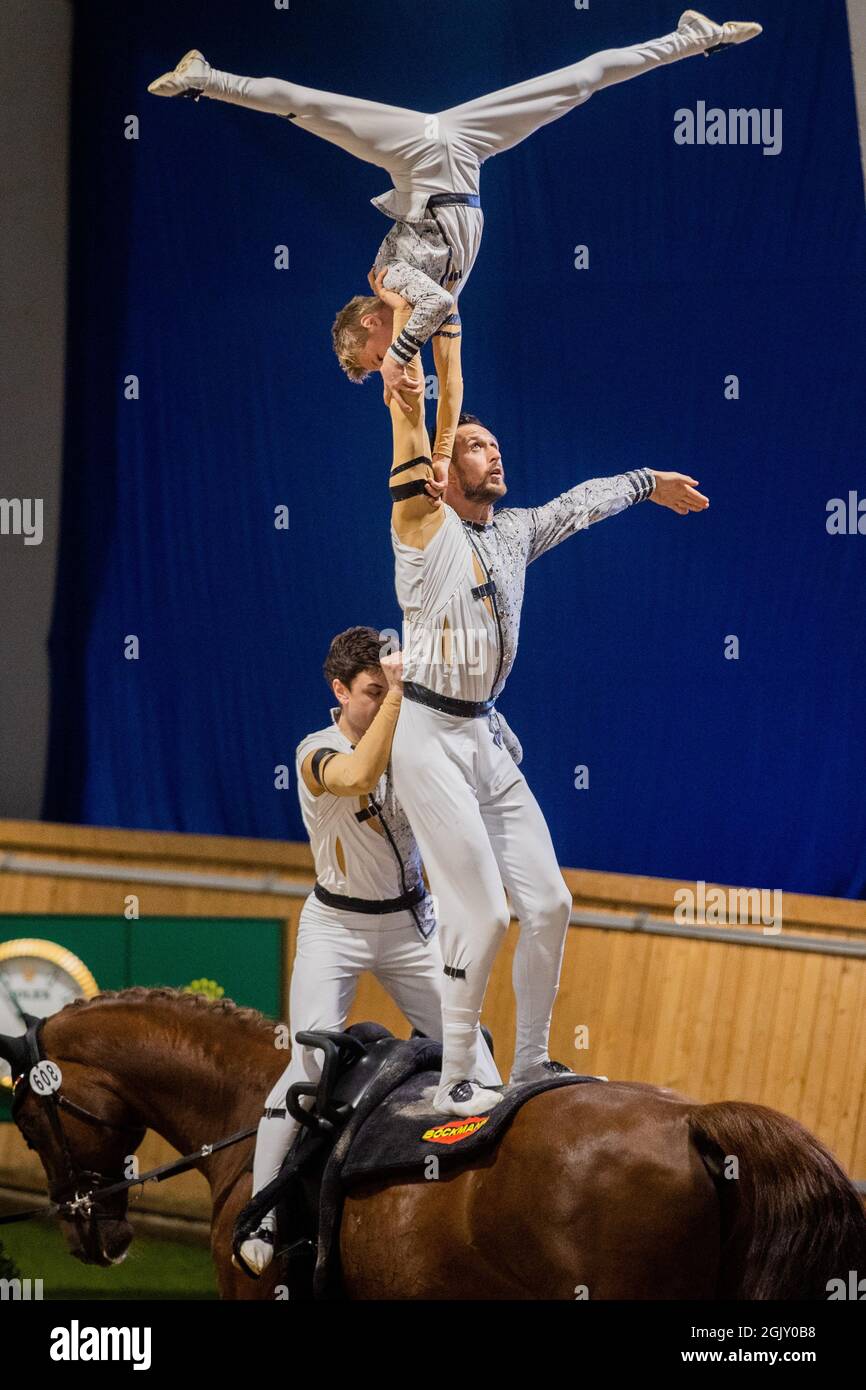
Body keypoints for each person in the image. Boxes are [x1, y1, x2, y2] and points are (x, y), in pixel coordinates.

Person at [147, 10, 762, 477]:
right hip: (464, 157)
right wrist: (441, 455)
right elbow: (455, 380)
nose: (391, 364)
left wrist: (393, 359)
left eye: (375, 355)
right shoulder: (425, 319)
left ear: (366, 324)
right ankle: (694, 38)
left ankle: (208, 78)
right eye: (380, 366)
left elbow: (429, 312)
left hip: (418, 156)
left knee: (310, 110)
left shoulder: (387, 283)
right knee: (580, 84)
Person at [379, 280, 710, 1120]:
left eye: (496, 444)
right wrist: (415, 354)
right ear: (445, 468)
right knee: (484, 915)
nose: (495, 452)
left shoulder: (517, 532)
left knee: (551, 903)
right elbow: (422, 416)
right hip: (426, 736)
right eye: (478, 446)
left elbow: (579, 503)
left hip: (487, 737)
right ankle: (458, 1073)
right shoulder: (423, 527)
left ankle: (527, 1065)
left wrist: (646, 481)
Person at [236, 627, 501, 1276]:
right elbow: (356, 777)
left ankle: (487, 1200)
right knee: (308, 1065)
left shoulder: (413, 733)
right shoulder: (316, 750)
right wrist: (400, 698)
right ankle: (261, 1213)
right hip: (337, 926)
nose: (389, 701)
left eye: (390, 691)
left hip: (410, 924)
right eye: (374, 693)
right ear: (340, 691)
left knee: (479, 1060)